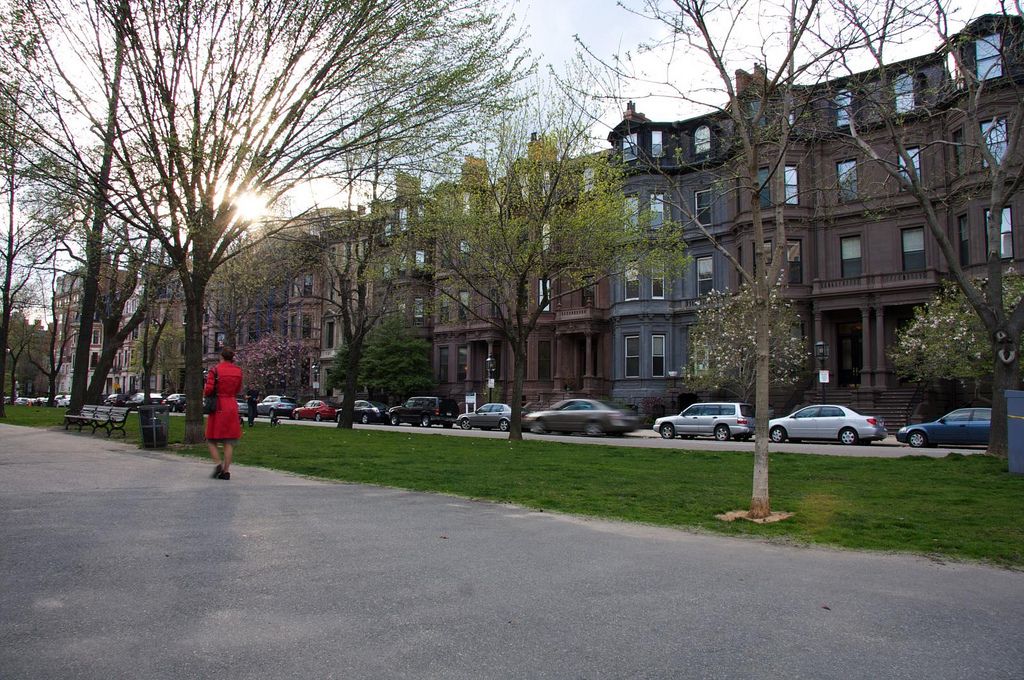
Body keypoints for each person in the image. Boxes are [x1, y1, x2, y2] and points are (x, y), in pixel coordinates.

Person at [204, 347, 243, 480]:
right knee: (229, 441)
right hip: (231, 405)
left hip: (218, 406)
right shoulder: (238, 371)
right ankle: (226, 471)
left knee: (211, 439)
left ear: (221, 357)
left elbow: (208, 390)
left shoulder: (215, 370)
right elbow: (238, 388)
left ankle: (218, 463)